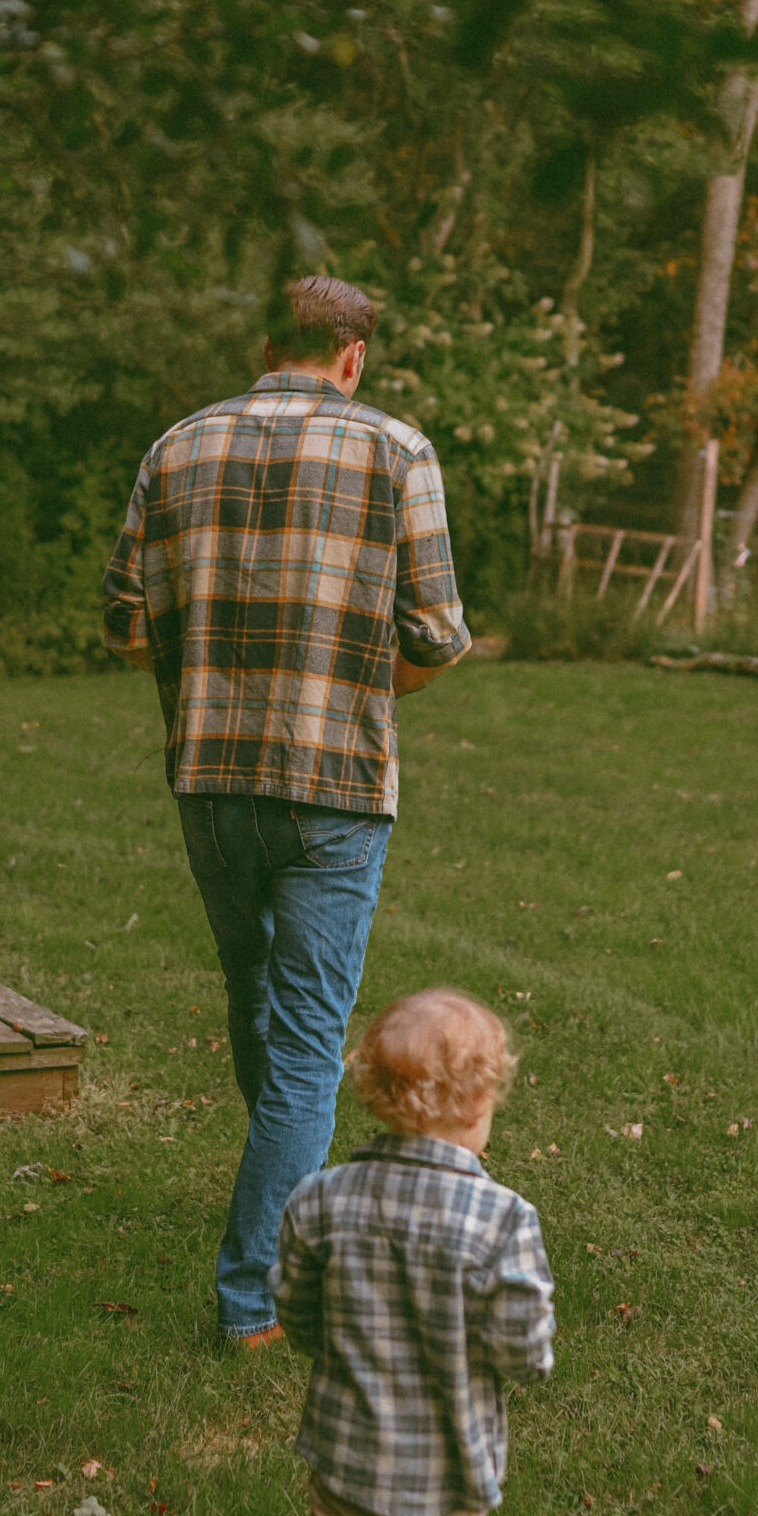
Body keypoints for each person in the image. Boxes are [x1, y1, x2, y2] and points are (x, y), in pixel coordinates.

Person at [102, 275, 471, 1348]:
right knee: (307, 1046)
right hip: (335, 785)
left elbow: (126, 626)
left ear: (268, 346)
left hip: (208, 779)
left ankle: (283, 1185)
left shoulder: (174, 446)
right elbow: (438, 636)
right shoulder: (396, 450)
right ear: (352, 357)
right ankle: (252, 1298)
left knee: (256, 994)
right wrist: (359, 684)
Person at [270, 988, 555, 1516]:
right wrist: (515, 1363)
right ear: (480, 1102)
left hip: (349, 1470)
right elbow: (523, 1346)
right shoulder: (501, 1220)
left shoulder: (321, 1198)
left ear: (375, 1097)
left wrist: (330, 1343)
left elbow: (296, 1306)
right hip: (450, 1473)